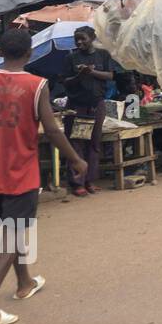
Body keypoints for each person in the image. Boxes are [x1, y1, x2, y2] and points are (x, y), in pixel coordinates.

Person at [0, 28, 88, 324]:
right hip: (21, 172)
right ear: (30, 54)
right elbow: (53, 129)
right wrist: (75, 159)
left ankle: (24, 281)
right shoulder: (37, 85)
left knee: (11, 229)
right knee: (13, 233)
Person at [60, 25, 116, 196]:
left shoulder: (103, 55)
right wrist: (79, 76)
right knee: (77, 143)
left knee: (94, 143)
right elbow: (65, 81)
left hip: (96, 105)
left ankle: (90, 180)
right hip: (77, 106)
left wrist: (91, 72)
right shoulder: (71, 58)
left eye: (83, 38)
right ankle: (77, 183)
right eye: (76, 38)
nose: (79, 42)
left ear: (92, 38)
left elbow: (110, 76)